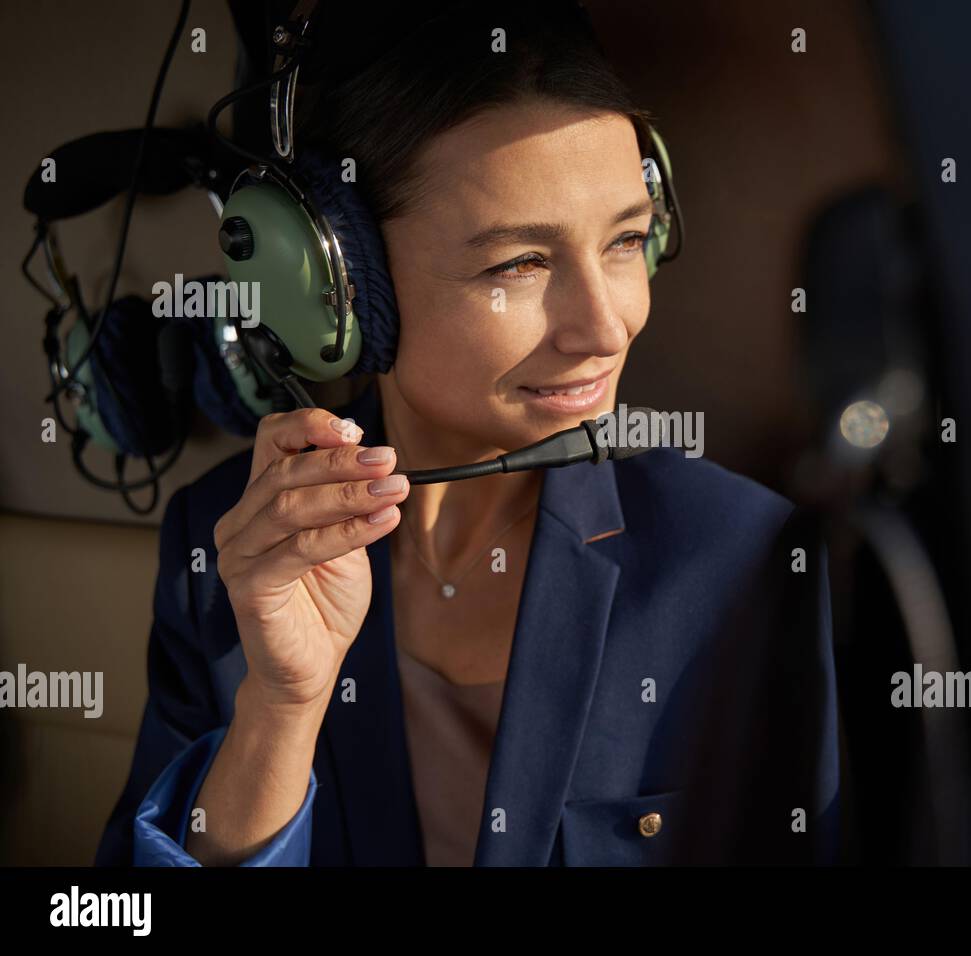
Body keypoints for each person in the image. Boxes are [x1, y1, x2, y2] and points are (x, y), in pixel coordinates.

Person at [95, 1, 840, 867]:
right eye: (519, 264)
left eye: (626, 240)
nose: (605, 328)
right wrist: (279, 706)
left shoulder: (747, 563)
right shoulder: (227, 549)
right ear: (333, 284)